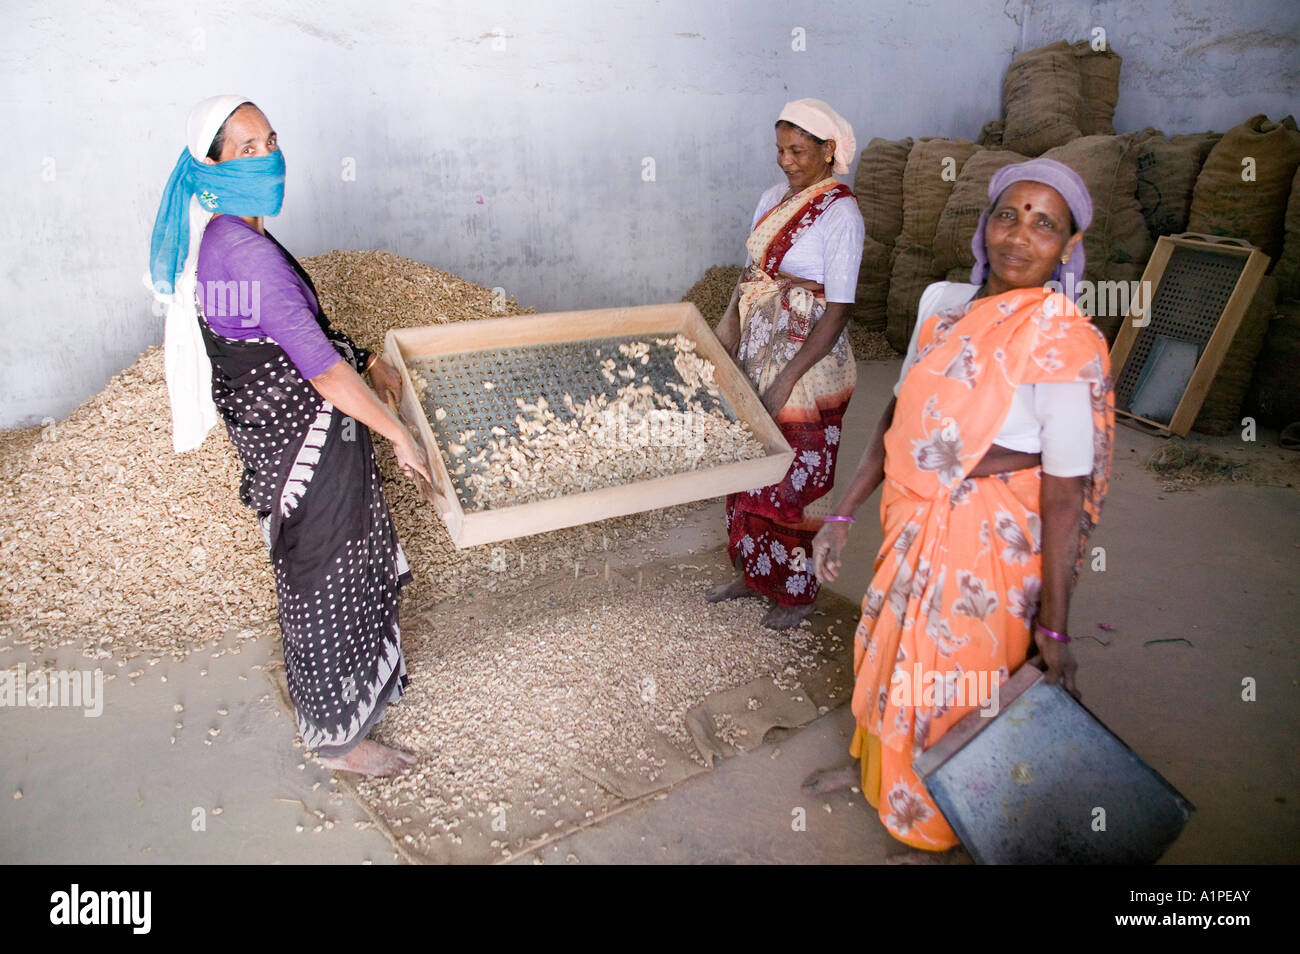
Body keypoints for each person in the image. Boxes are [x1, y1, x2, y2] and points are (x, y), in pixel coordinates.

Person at [805, 158, 1115, 853]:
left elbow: (1065, 494)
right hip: (913, 520)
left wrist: (1056, 632)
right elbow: (899, 415)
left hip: (986, 546)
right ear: (984, 227)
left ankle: (938, 816)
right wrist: (844, 512)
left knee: (950, 682)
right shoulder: (945, 307)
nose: (1019, 235)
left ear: (1067, 247)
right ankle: (879, 777)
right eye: (1008, 214)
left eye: (1044, 224)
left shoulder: (1062, 339)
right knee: (888, 655)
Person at [146, 96, 433, 776]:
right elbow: (323, 373)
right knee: (326, 575)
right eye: (247, 148)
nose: (267, 156)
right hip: (306, 449)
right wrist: (397, 434)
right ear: (210, 165)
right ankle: (338, 739)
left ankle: (360, 695)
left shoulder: (231, 236)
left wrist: (369, 359)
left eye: (270, 140)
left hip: (288, 446)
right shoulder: (244, 253)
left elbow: (299, 330)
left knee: (336, 563)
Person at [709, 98, 865, 630]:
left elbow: (840, 309)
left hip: (808, 360)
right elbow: (749, 275)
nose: (786, 160)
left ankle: (796, 593)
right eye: (780, 149)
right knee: (748, 463)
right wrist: (725, 334)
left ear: (828, 151)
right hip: (759, 345)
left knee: (794, 474)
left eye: (798, 150)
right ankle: (753, 573)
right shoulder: (772, 198)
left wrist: (788, 377)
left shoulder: (841, 213)